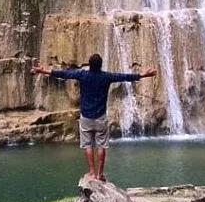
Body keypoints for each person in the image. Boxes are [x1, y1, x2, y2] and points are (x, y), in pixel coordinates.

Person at [32, 54, 157, 182]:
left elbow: (63, 74)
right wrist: (143, 75)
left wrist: (43, 70)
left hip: (86, 116)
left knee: (88, 146)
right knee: (101, 146)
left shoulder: (82, 75)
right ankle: (100, 174)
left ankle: (91, 172)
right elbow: (124, 77)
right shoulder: (106, 76)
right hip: (100, 117)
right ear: (101, 65)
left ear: (90, 65)